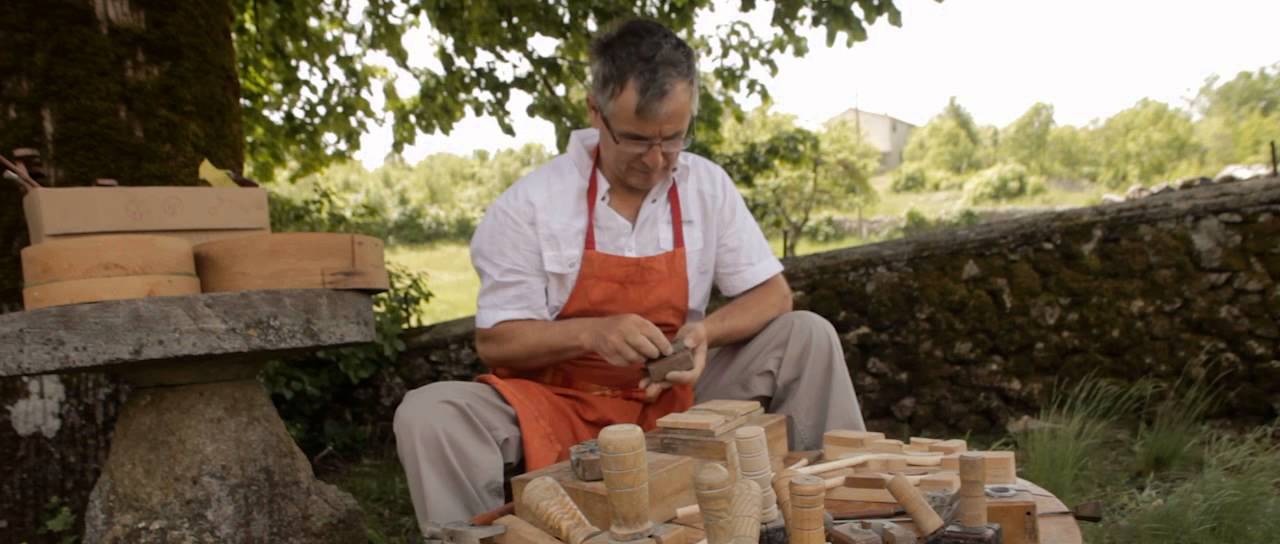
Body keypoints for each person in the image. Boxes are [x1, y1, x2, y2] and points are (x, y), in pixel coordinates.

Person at [393, 17, 865, 531]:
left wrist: (706, 333)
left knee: (808, 335)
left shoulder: (706, 185)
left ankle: (834, 516)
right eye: (638, 140)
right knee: (428, 414)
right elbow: (498, 344)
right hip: (560, 404)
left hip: (676, 394)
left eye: (674, 139)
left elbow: (774, 295)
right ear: (596, 112)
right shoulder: (528, 206)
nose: (657, 160)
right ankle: (486, 540)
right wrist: (593, 332)